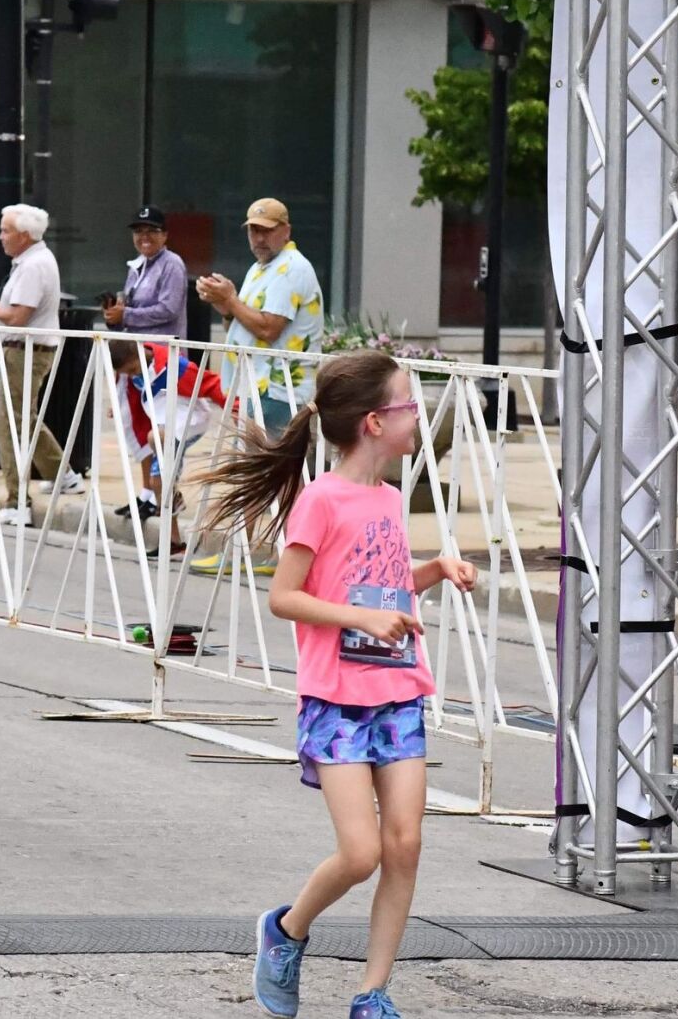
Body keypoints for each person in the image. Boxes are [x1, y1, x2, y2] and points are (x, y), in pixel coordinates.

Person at [196, 350, 475, 1019]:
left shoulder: (385, 499)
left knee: (404, 843)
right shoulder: (320, 501)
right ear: (376, 422)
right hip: (336, 701)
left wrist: (434, 568)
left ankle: (371, 993)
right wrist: (362, 616)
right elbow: (286, 597)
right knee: (361, 851)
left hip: (397, 689)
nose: (418, 417)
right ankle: (285, 929)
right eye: (410, 405)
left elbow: (381, 585)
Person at [0, 204, 83, 525]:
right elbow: (14, 309)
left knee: (9, 426)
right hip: (26, 348)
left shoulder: (34, 266)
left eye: (6, 230)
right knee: (23, 418)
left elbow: (18, 317)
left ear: (24, 235)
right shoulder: (32, 262)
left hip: (26, 350)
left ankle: (18, 501)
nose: (0, 236)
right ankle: (63, 474)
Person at [196, 198, 324, 432]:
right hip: (256, 388)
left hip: (277, 392)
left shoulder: (292, 267)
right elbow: (239, 325)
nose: (259, 238)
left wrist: (231, 300)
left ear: (286, 231)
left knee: (267, 465)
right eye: (254, 231)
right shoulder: (260, 268)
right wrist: (224, 306)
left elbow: (268, 330)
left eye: (267, 230)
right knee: (257, 464)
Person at [107, 338, 226, 551]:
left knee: (156, 441)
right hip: (166, 424)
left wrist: (236, 408)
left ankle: (173, 501)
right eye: (129, 373)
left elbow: (210, 383)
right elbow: (135, 395)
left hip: (189, 421)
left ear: (141, 352)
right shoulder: (137, 369)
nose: (134, 375)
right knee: (158, 483)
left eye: (134, 369)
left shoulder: (174, 367)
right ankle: (174, 541)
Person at [103, 206, 188, 339]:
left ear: (165, 235)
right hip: (135, 349)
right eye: (138, 231)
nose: (144, 237)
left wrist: (125, 314)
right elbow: (126, 316)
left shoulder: (172, 264)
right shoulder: (135, 266)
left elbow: (169, 310)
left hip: (163, 352)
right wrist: (114, 316)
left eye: (152, 231)